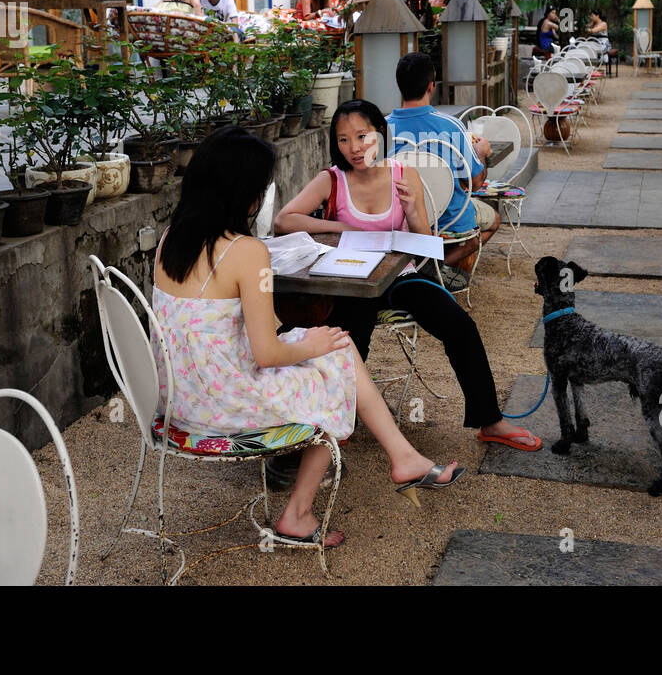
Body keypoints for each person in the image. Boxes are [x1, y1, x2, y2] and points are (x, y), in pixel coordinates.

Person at [153, 126, 463, 547]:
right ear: (243, 192)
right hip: (222, 408)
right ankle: (299, 513)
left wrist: (313, 341)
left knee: (334, 343)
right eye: (261, 188)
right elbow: (266, 352)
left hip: (178, 398)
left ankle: (404, 457)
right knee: (333, 364)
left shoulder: (170, 240)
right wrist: (312, 346)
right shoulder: (245, 251)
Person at [274, 100, 542, 452]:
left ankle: (490, 420)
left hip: (400, 278)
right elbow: (284, 220)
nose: (354, 148)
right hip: (350, 283)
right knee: (348, 340)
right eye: (343, 139)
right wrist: (339, 225)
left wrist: (414, 209)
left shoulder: (402, 173)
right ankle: (327, 423)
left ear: (379, 134)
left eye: (362, 136)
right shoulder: (332, 179)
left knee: (459, 326)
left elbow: (425, 244)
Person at [386, 53, 500, 275]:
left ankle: (429, 267)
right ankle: (441, 269)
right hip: (450, 220)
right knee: (494, 219)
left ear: (400, 86)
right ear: (431, 86)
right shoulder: (452, 126)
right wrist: (481, 152)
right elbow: (476, 184)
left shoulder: (382, 129)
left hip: (402, 221)